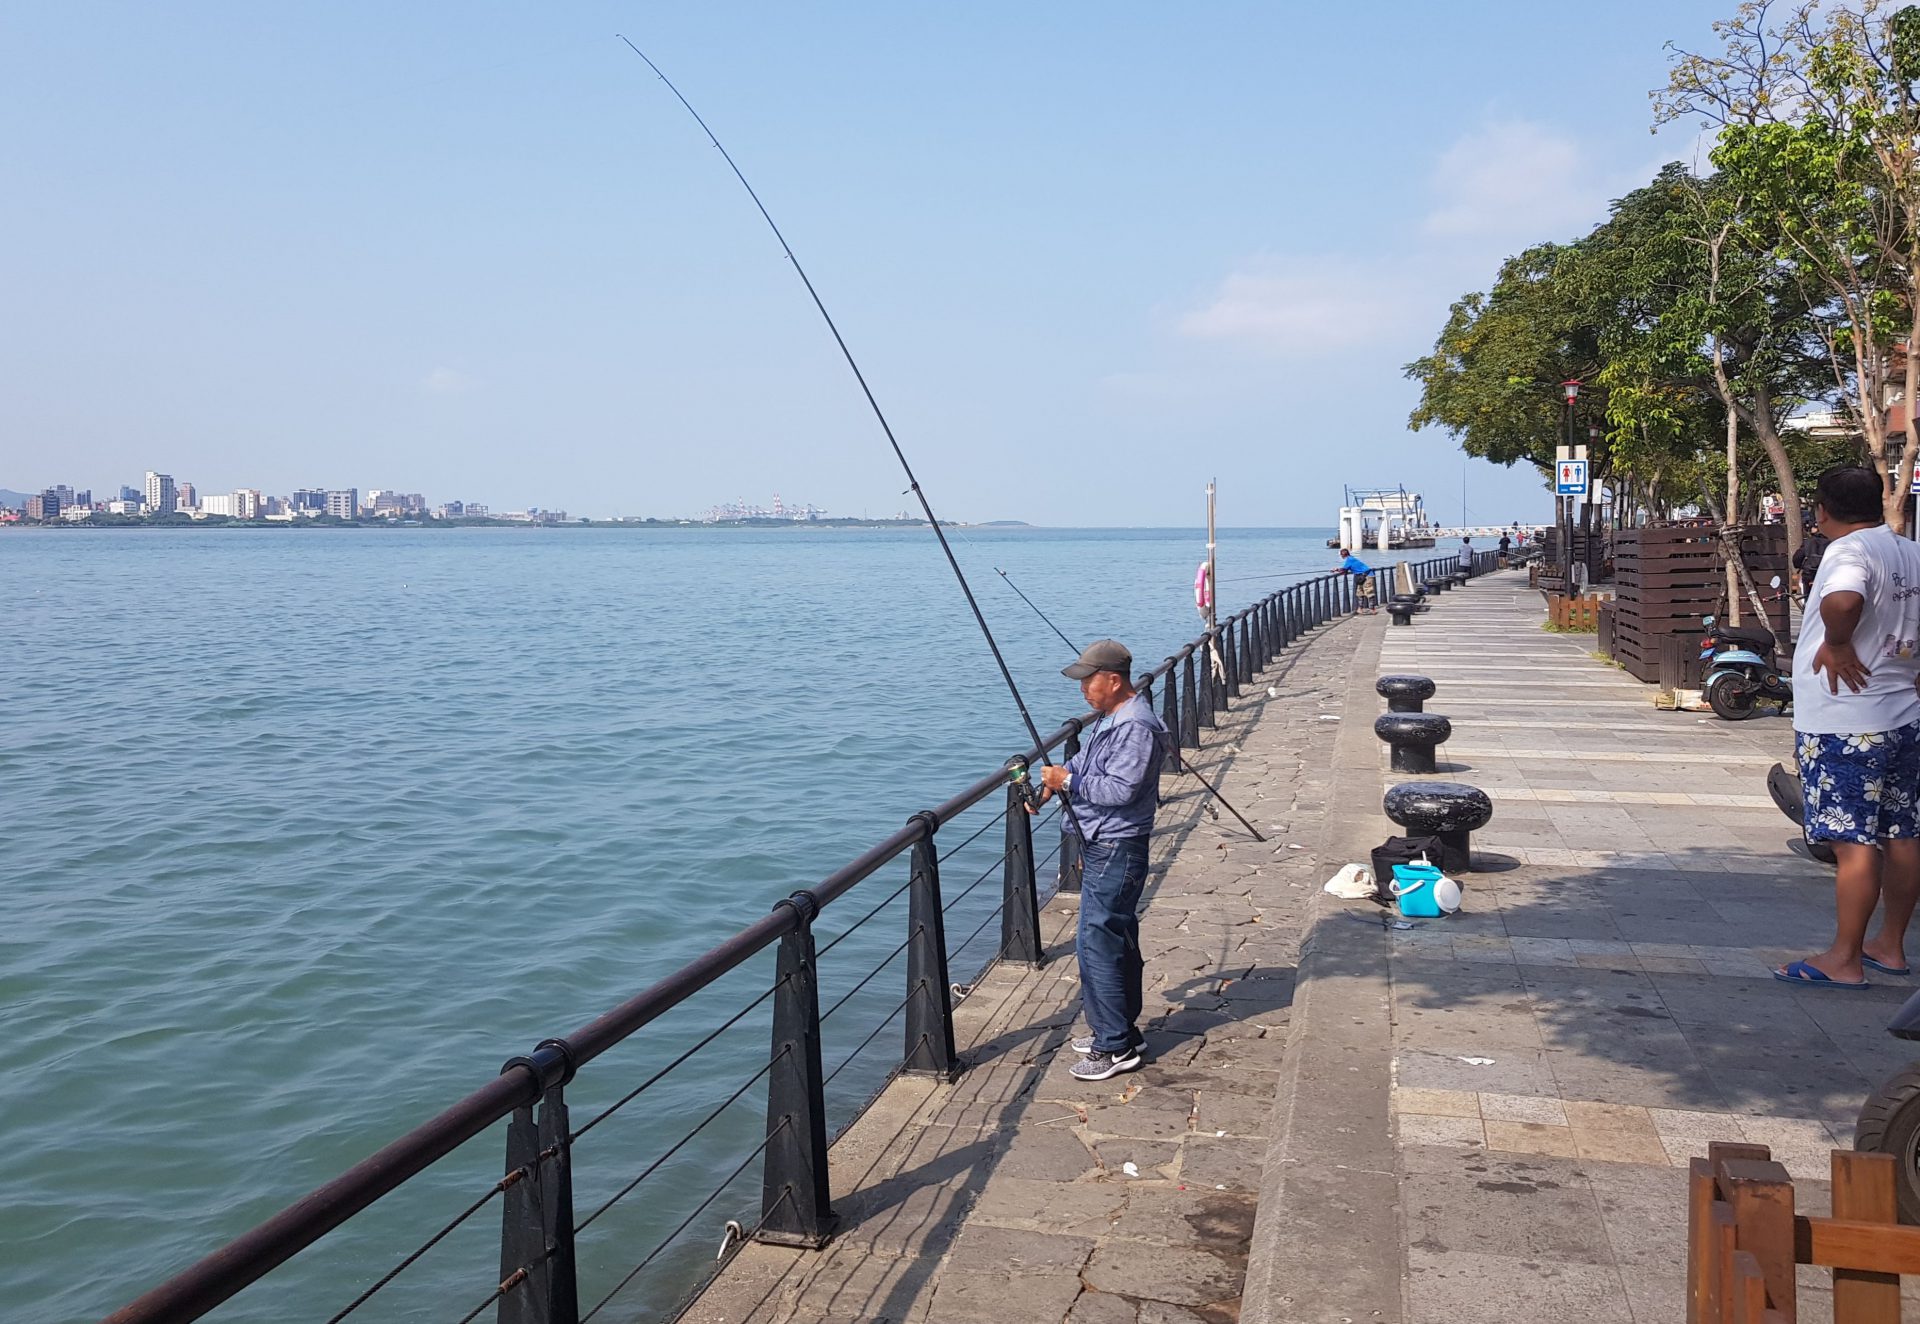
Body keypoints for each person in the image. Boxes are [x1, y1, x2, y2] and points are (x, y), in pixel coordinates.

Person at [1778, 466, 1920, 989]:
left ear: (1821, 510)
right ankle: (1891, 946)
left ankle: (1844, 958)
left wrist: (1837, 644)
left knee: (1851, 841)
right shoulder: (1909, 551)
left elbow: (1842, 600)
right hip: (1902, 716)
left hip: (1846, 723)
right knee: (1901, 835)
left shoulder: (1849, 550)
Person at [1035, 639, 1167, 1080]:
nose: (1082, 690)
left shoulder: (1135, 726)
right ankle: (1122, 1031)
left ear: (1113, 680)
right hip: (1105, 844)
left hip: (1116, 845)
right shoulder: (1114, 718)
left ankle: (1114, 1047)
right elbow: (1094, 765)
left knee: (1098, 942)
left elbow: (1120, 790)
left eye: (1088, 682)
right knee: (1114, 936)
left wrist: (1068, 781)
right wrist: (1057, 781)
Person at [1335, 546, 1377, 613]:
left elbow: (1343, 569)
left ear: (1343, 555)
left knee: (1369, 592)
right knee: (1359, 592)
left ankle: (1372, 609)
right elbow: (1346, 569)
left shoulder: (1350, 560)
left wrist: (1336, 569)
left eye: (1341, 555)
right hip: (1361, 576)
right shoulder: (1351, 558)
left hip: (1367, 576)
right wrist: (1341, 570)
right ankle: (1360, 609)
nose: (1340, 556)